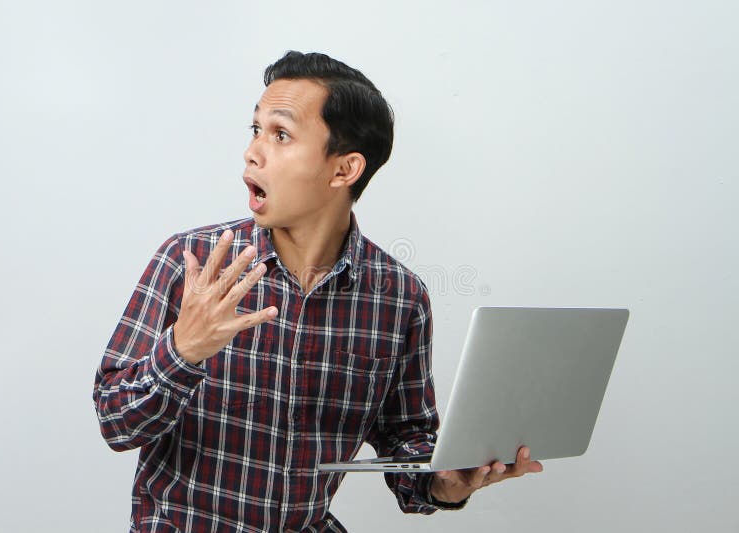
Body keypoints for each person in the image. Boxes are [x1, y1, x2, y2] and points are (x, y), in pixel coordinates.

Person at [93, 50, 543, 533]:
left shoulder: (399, 299)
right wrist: (183, 350)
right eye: (256, 130)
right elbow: (116, 424)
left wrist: (443, 482)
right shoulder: (193, 262)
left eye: (280, 134)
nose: (253, 151)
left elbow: (407, 438)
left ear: (344, 170)